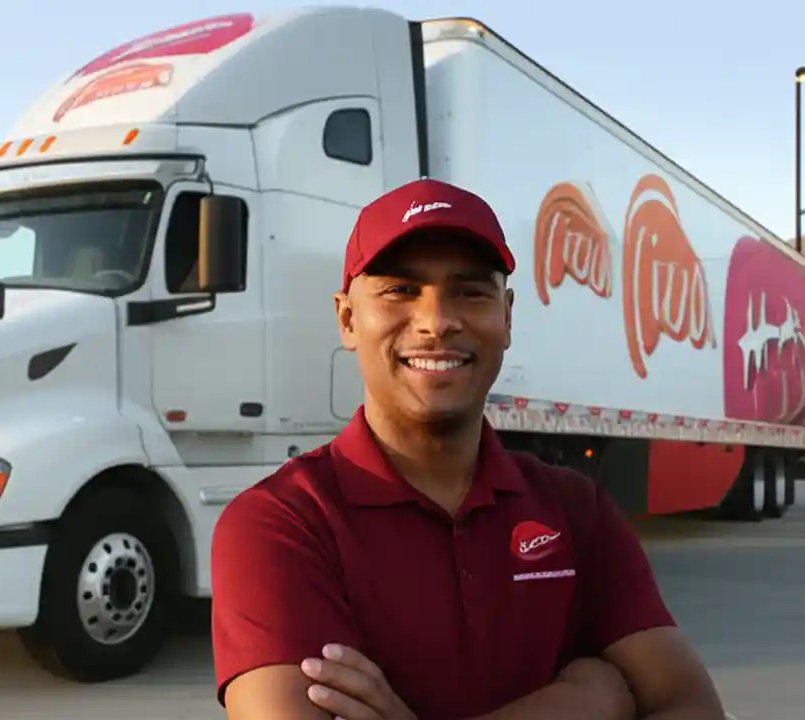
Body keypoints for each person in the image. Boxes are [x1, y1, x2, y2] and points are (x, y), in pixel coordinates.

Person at [209, 178, 726, 720]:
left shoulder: (577, 511)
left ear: (507, 317)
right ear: (347, 319)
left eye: (471, 292)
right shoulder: (281, 523)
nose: (437, 322)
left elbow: (691, 706)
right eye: (400, 290)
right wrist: (580, 704)